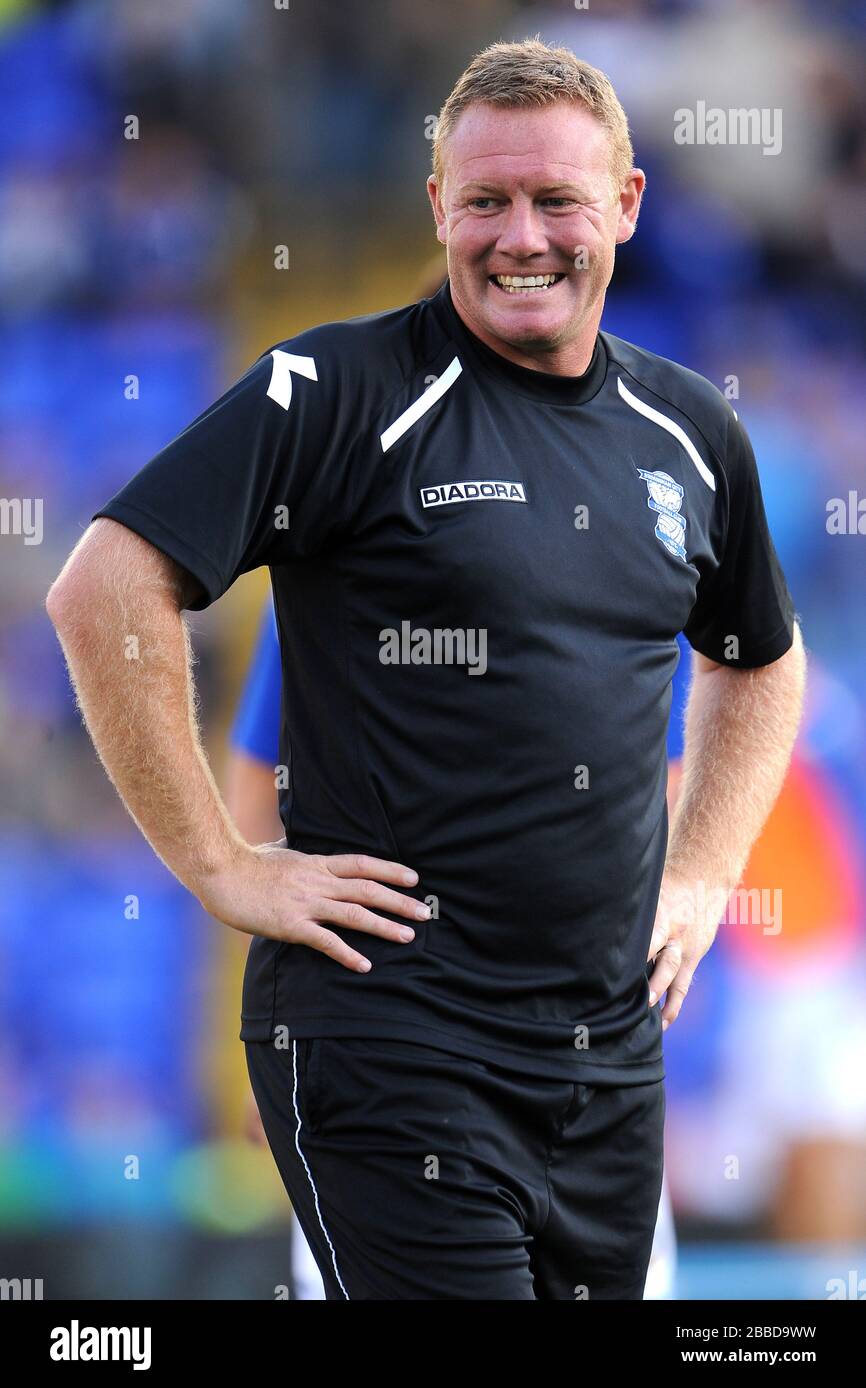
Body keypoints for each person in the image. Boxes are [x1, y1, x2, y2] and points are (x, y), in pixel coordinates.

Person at [46, 38, 806, 1300]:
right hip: (391, 1046)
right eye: (486, 200)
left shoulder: (691, 430)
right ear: (437, 208)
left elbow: (760, 665)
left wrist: (703, 869)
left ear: (621, 205)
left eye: (557, 200)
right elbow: (104, 583)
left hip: (605, 1063)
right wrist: (221, 866)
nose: (521, 236)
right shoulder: (335, 391)